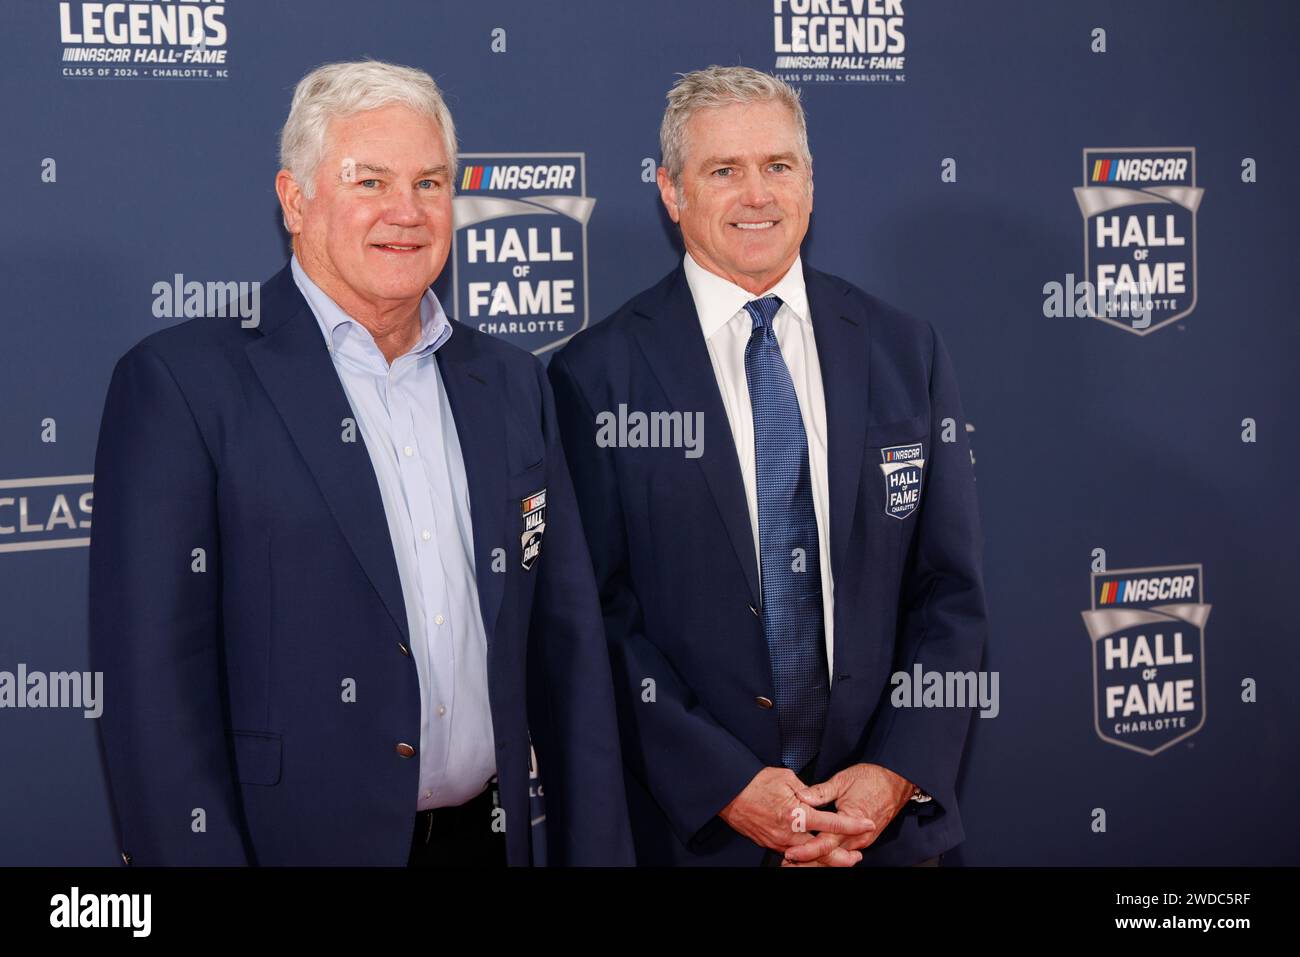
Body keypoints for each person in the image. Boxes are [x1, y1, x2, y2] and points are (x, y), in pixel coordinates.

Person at [88, 60, 633, 867]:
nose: (406, 212)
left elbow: (568, 648)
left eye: (429, 182)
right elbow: (151, 695)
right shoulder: (182, 384)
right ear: (295, 198)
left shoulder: (512, 382)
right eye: (369, 181)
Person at [548, 66, 987, 866]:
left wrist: (894, 772)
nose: (758, 194)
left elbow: (948, 592)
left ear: (811, 184)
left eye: (778, 166)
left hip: (881, 836)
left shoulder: (902, 350)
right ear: (671, 192)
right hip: (698, 834)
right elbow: (599, 619)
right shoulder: (594, 375)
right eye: (724, 171)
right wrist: (726, 783)